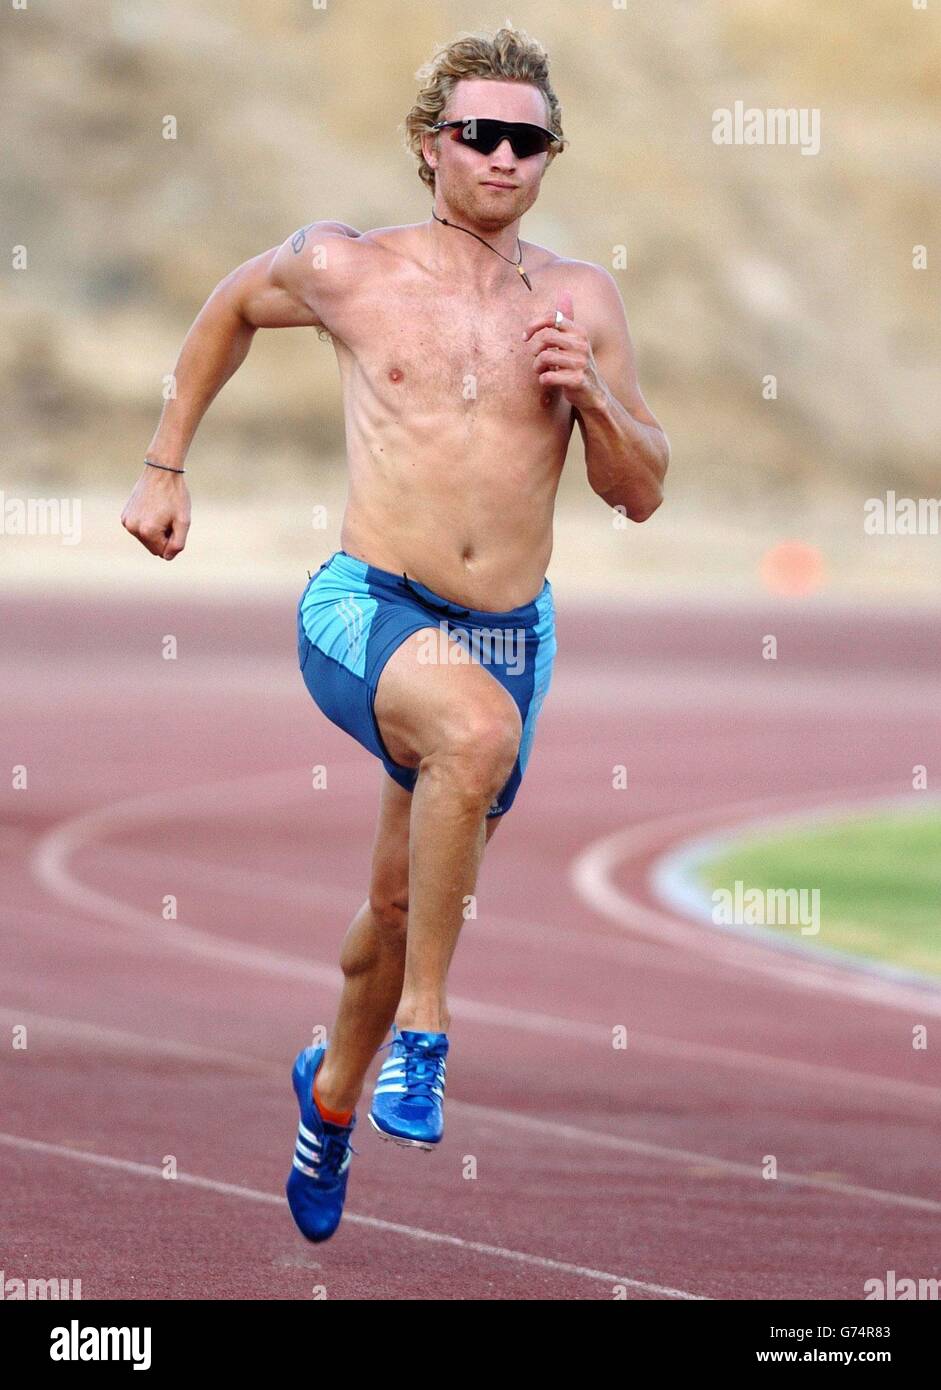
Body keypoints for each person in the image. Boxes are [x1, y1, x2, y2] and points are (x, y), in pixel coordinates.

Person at [121, 25, 669, 1243]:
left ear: (549, 156)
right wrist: (166, 466)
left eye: (526, 139)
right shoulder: (344, 266)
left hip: (510, 634)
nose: (502, 157)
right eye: (478, 133)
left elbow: (638, 491)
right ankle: (426, 1032)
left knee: (393, 905)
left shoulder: (580, 301)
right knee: (468, 740)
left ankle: (329, 1092)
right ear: (430, 149)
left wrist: (590, 394)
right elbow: (226, 310)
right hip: (365, 605)